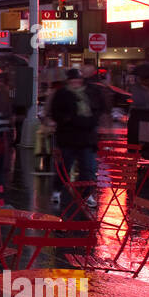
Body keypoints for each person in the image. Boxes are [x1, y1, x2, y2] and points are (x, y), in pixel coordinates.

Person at [47, 68, 100, 213]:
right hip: (68, 138)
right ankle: (57, 191)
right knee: (65, 167)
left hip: (87, 139)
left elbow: (97, 111)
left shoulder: (89, 93)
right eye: (73, 80)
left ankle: (87, 195)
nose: (76, 82)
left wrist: (88, 121)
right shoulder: (62, 94)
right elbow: (57, 113)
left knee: (88, 169)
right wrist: (72, 120)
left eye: (78, 80)